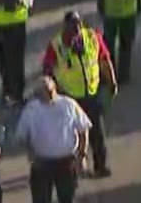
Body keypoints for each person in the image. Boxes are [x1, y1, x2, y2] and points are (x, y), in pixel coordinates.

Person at [10, 75, 91, 203]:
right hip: (42, 163)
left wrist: (81, 155)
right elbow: (22, 135)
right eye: (42, 92)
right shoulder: (32, 109)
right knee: (40, 202)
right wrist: (31, 152)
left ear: (54, 89)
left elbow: (83, 128)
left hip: (66, 161)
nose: (46, 94)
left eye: (49, 90)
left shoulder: (68, 105)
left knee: (67, 199)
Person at [40, 11, 116, 179]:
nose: (76, 30)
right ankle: (71, 168)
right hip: (70, 96)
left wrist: (112, 81)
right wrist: (50, 93)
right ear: (64, 28)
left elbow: (104, 60)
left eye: (78, 26)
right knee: (70, 136)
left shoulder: (92, 37)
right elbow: (47, 69)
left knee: (97, 133)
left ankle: (100, 166)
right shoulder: (57, 46)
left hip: (91, 93)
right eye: (71, 27)